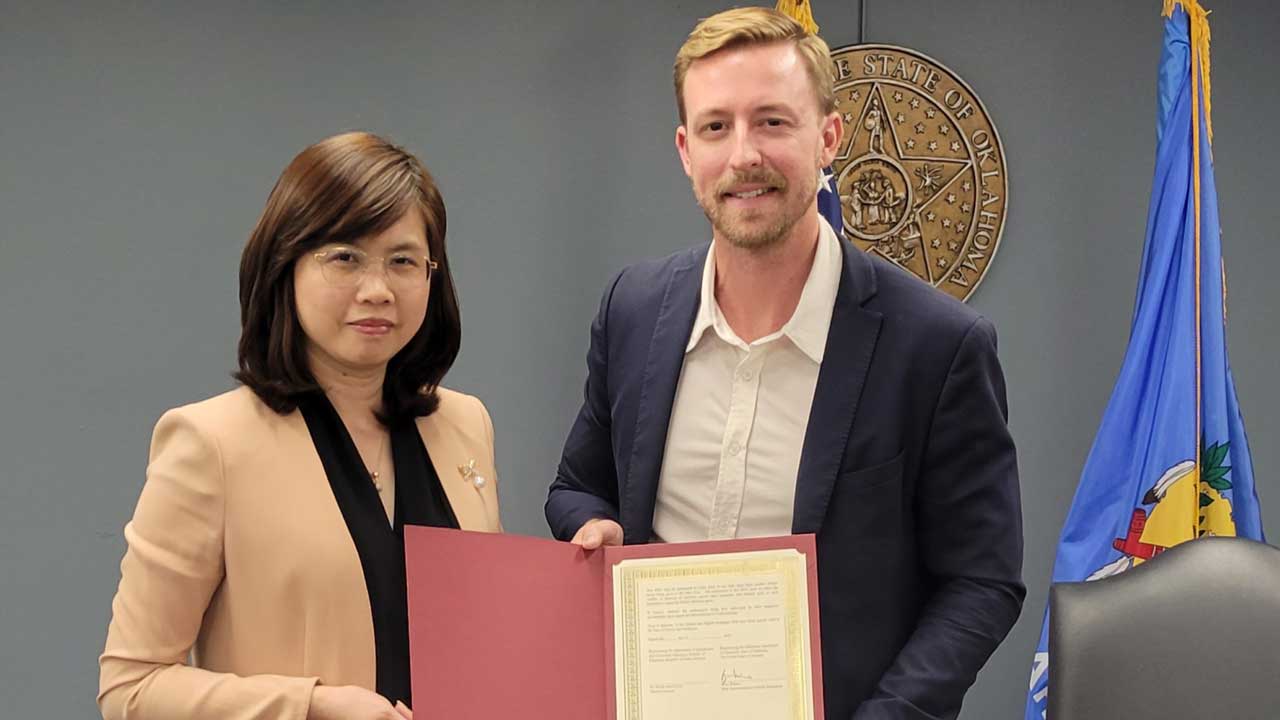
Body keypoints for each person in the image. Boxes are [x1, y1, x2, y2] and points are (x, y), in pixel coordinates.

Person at [545, 8, 1023, 719]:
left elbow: (981, 580)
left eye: (772, 121)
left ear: (828, 136)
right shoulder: (633, 310)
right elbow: (578, 487)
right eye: (716, 127)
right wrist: (596, 528)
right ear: (684, 149)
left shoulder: (938, 345)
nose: (744, 156)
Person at [98, 131, 501, 720]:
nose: (377, 290)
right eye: (344, 257)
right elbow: (130, 687)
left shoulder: (464, 424)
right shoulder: (210, 444)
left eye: (403, 261)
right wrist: (310, 707)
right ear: (285, 265)